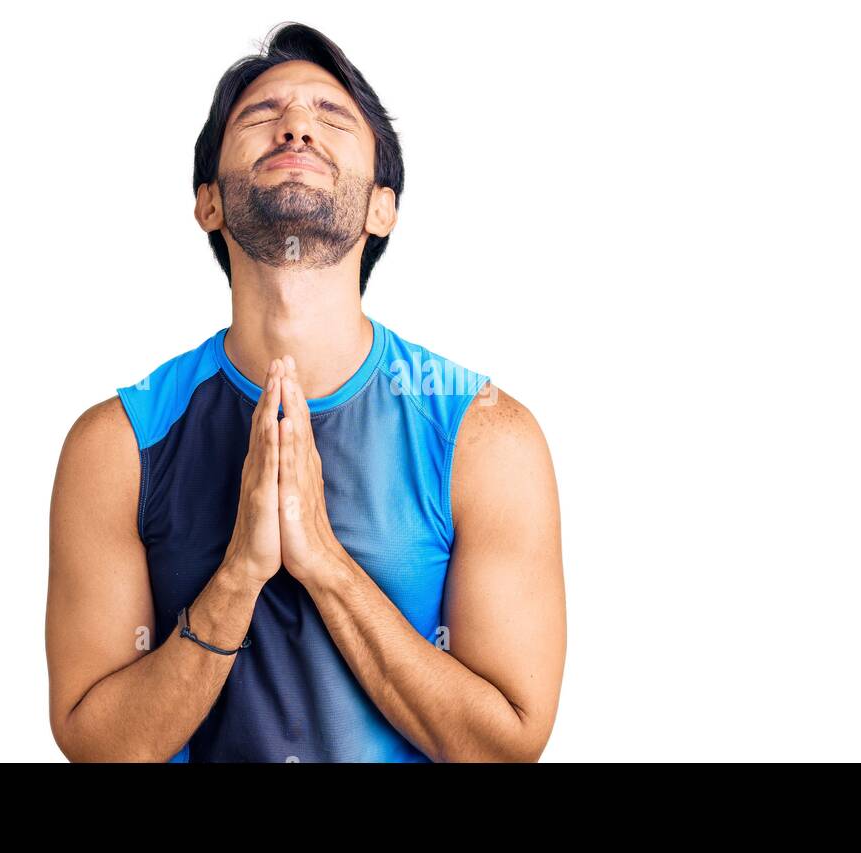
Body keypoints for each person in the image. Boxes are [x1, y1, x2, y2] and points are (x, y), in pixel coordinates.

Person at [46, 23, 565, 761]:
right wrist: (239, 576)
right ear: (209, 204)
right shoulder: (117, 445)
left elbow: (504, 745)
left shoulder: (484, 437)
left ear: (383, 208)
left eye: (331, 116)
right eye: (263, 115)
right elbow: (97, 746)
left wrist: (324, 560)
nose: (295, 124)